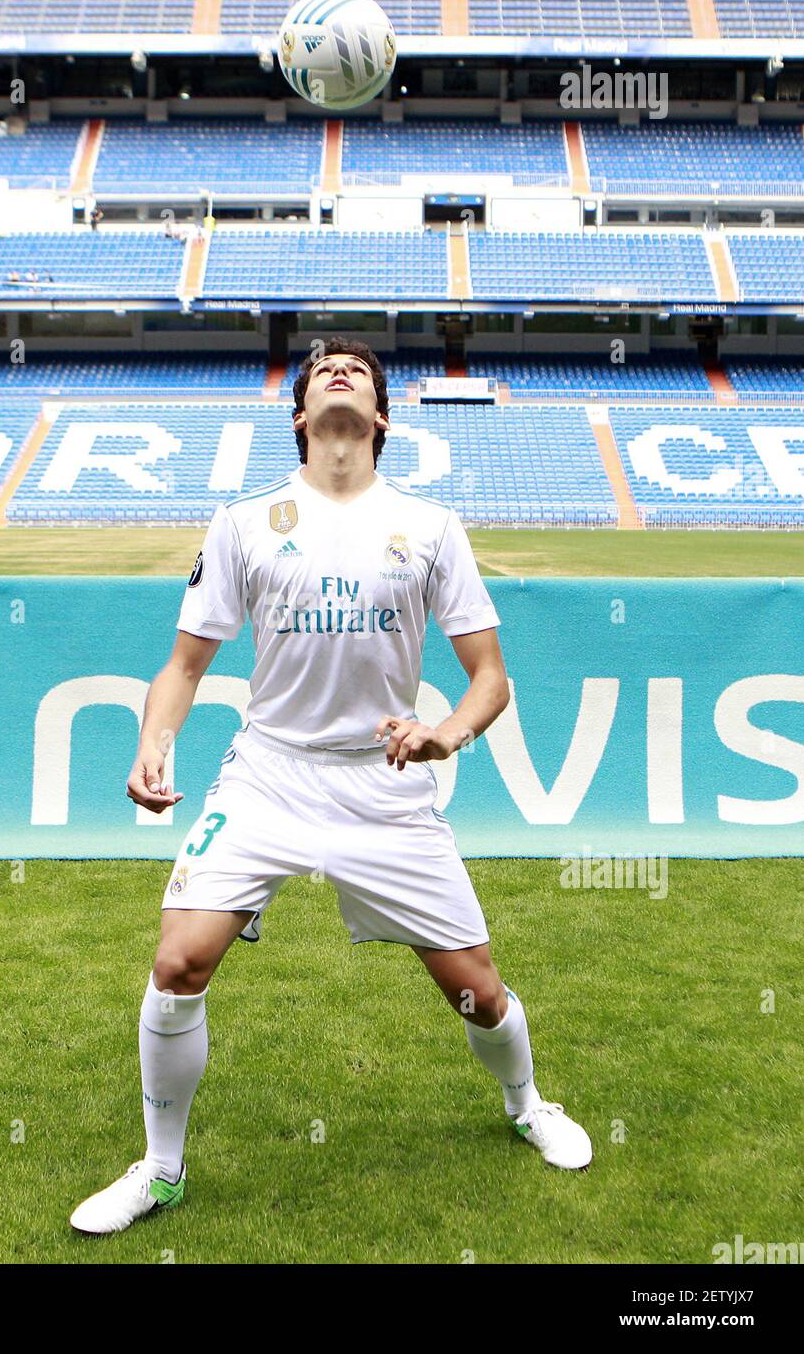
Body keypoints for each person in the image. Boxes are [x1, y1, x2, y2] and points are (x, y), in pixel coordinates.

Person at [69, 338, 592, 1236]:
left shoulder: (430, 527)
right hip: (267, 775)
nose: (339, 372)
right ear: (301, 415)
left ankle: (526, 1104)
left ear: (381, 417)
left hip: (382, 786)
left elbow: (490, 678)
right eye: (322, 371)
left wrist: (447, 732)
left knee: (476, 990)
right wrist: (154, 743)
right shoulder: (244, 520)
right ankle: (160, 1170)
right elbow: (184, 666)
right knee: (176, 962)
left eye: (358, 371)